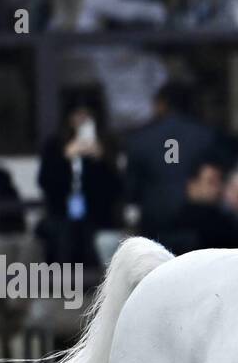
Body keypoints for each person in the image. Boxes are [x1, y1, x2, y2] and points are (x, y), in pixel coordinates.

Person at [122, 82, 222, 241]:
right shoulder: (206, 135)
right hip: (196, 223)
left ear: (162, 104)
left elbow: (131, 189)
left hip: (154, 224)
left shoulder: (139, 139)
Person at [37, 102, 122, 270]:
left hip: (97, 214)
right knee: (64, 239)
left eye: (87, 117)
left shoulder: (107, 144)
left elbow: (116, 188)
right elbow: (45, 182)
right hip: (62, 213)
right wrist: (65, 158)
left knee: (92, 239)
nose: (81, 121)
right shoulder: (55, 145)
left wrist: (101, 159)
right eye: (77, 116)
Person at [160, 158, 238, 255]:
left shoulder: (227, 224)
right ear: (192, 184)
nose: (218, 188)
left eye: (219, 181)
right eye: (211, 182)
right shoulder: (170, 222)